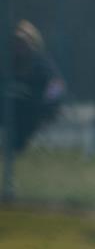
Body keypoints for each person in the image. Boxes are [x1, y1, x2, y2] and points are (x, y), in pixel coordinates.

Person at [7, 21, 65, 153]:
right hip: (10, 106)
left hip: (34, 107)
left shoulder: (40, 63)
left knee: (23, 110)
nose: (19, 46)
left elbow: (57, 85)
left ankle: (17, 148)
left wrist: (47, 101)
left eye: (23, 42)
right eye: (16, 42)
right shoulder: (8, 62)